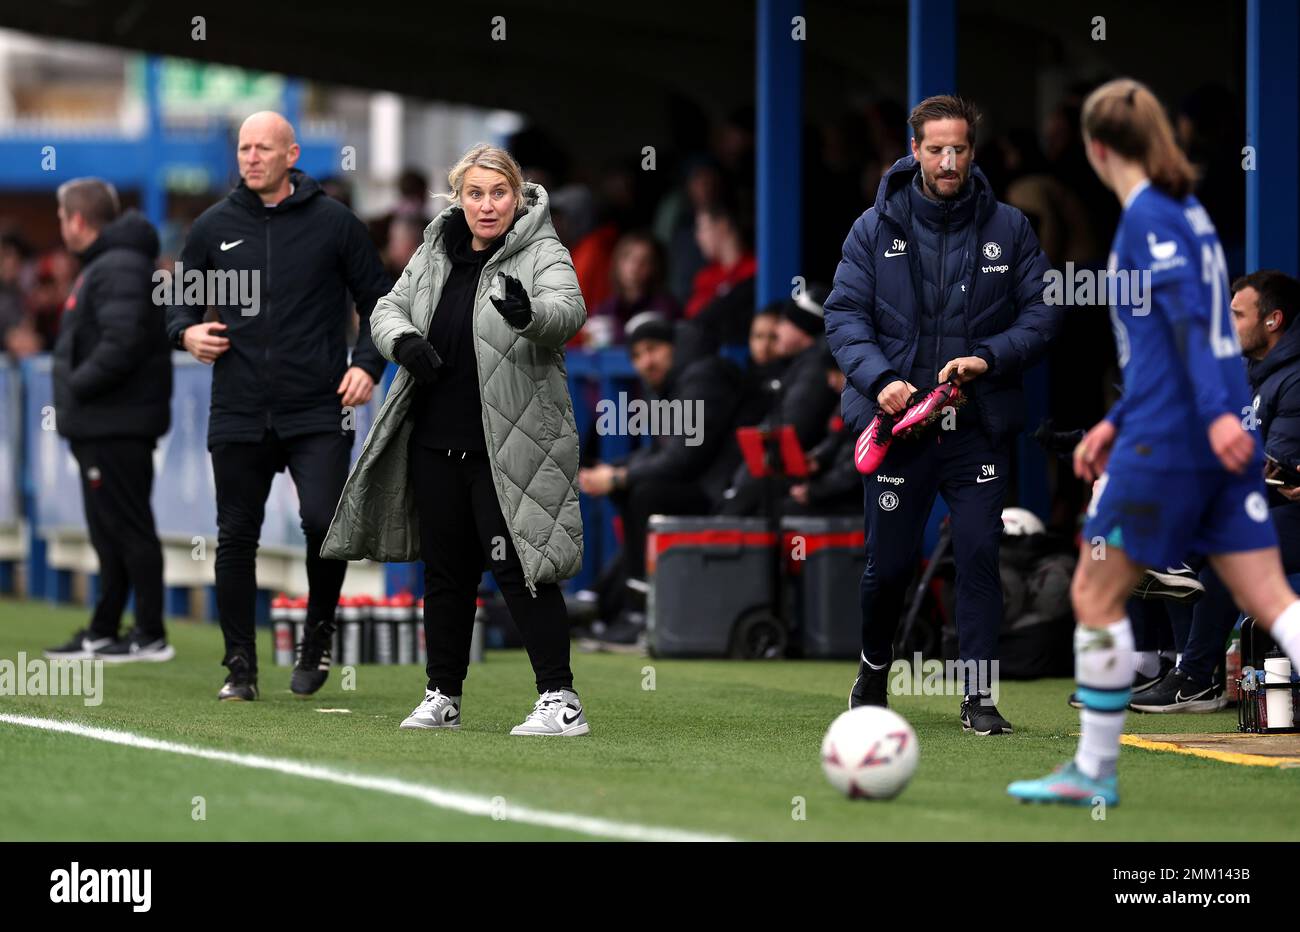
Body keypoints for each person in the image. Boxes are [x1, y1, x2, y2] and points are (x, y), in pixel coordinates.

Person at [1008, 80, 1300, 805]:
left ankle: (1094, 772)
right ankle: (1093, 773)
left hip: (1174, 438)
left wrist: (1198, 418)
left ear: (1096, 146)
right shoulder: (1189, 213)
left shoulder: (1148, 221)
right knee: (1270, 595)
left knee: (1094, 590)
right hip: (1197, 423)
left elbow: (1177, 332)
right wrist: (1115, 421)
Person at [321, 144, 591, 737]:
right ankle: (442, 694)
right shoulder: (433, 250)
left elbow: (567, 312)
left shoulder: (543, 250)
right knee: (444, 576)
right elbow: (385, 308)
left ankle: (560, 701)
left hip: (510, 447)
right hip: (435, 441)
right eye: (474, 193)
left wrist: (529, 314)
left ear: (516, 196)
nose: (486, 205)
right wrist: (402, 343)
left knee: (524, 568)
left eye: (498, 193)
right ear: (458, 198)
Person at [825, 95, 1061, 735]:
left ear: (973, 150)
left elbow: (1044, 315)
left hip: (976, 426)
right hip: (899, 430)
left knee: (982, 553)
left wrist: (987, 359)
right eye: (936, 149)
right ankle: (875, 669)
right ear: (915, 151)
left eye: (959, 148)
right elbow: (843, 318)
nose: (949, 160)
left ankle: (978, 696)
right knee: (889, 567)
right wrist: (882, 382)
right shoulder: (872, 229)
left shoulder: (1010, 227)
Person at [166, 111, 388, 701]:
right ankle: (239, 665)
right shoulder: (211, 227)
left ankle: (316, 637)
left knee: (323, 522)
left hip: (317, 407)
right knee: (236, 535)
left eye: (264, 148)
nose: (251, 158)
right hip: (238, 408)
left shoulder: (336, 224)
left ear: (292, 155)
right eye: (244, 148)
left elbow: (382, 304)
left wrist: (367, 365)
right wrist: (186, 335)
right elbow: (177, 307)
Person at [1130, 270, 1300, 712]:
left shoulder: (1295, 378)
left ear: (1272, 320)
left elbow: (1276, 473)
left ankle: (1196, 677)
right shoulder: (1242, 370)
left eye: (1237, 315)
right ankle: (1178, 665)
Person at [44, 179, 174, 662]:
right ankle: (105, 628)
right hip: (104, 423)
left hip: (116, 423)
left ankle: (150, 633)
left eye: (61, 217)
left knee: (128, 527)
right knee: (109, 531)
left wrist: (75, 384)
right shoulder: (109, 264)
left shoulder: (117, 266)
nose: (61, 227)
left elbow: (121, 343)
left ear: (77, 219)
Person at [579, 312, 744, 643]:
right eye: (637, 356)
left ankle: (642, 611)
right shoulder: (673, 383)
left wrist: (620, 476)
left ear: (673, 347)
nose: (646, 362)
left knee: (645, 492)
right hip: (701, 486)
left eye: (653, 349)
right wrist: (616, 472)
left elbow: (683, 458)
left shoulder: (702, 376)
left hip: (725, 496)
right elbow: (658, 452)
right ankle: (626, 606)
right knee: (633, 487)